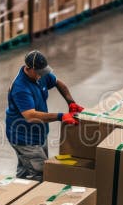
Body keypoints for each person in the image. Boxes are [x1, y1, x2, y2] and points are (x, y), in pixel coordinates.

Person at [6, 50, 83, 181]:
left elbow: (58, 83)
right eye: (38, 73)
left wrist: (71, 102)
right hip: (24, 138)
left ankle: (19, 188)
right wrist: (61, 116)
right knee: (41, 172)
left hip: (39, 134)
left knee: (27, 169)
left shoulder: (41, 74)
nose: (41, 76)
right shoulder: (20, 88)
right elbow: (30, 116)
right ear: (28, 68)